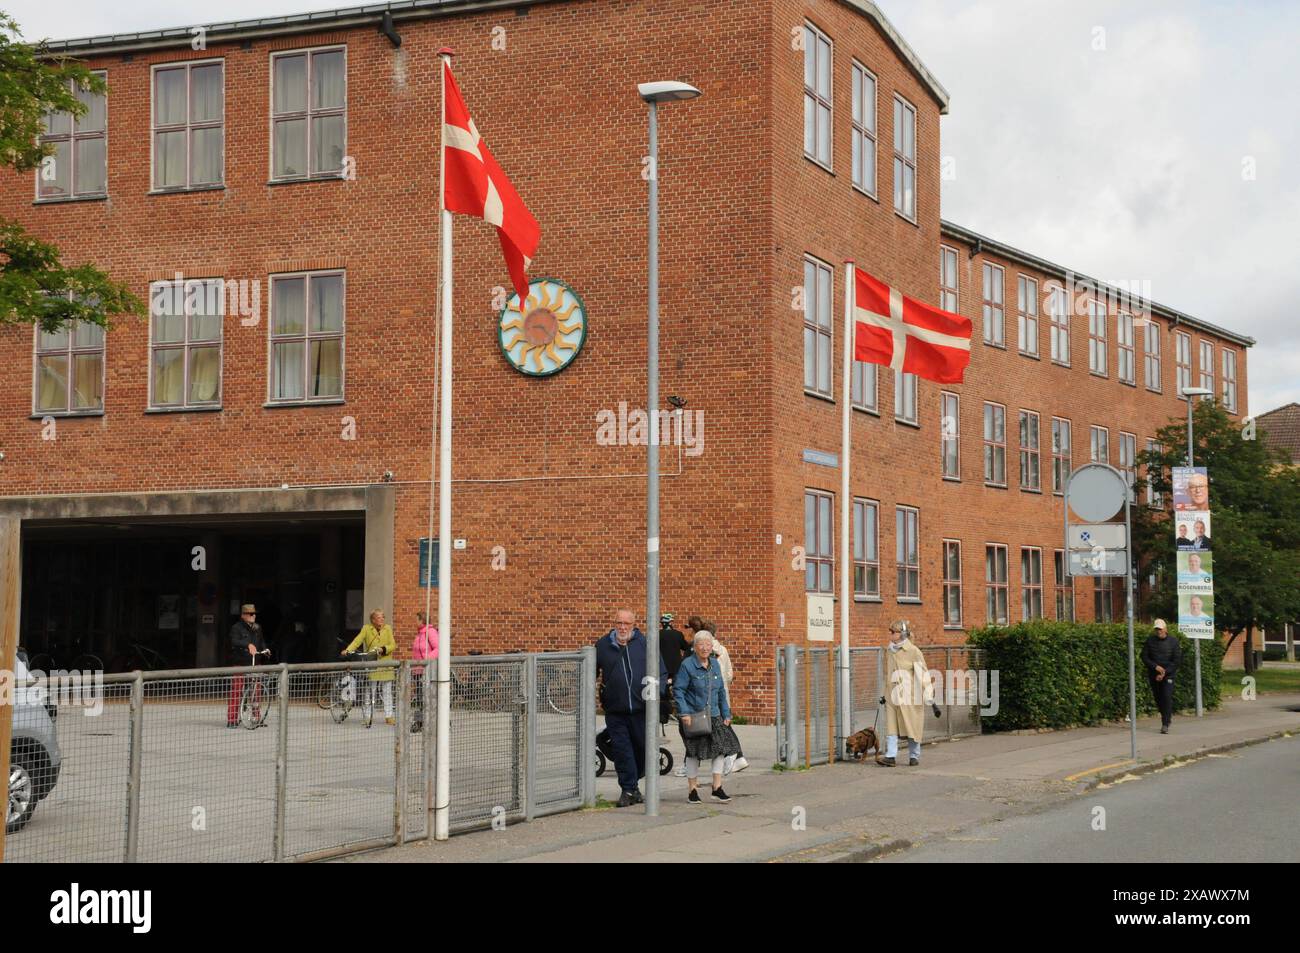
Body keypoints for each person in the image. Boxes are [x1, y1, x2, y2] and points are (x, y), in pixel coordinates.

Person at [595, 609, 668, 807]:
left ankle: (634, 784)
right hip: (615, 711)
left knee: (642, 750)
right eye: (619, 622)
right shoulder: (603, 645)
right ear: (614, 623)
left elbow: (660, 672)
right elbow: (591, 672)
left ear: (634, 625)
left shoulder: (645, 644)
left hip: (642, 710)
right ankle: (628, 789)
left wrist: (656, 694)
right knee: (622, 750)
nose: (622, 627)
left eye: (626, 623)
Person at [673, 632, 735, 803]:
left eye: (708, 644)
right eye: (701, 644)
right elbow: (678, 690)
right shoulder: (687, 665)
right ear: (695, 646)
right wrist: (684, 713)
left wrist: (726, 713)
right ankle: (692, 790)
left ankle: (717, 787)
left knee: (720, 750)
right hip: (694, 716)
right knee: (693, 753)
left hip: (714, 714)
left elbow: (721, 691)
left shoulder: (715, 663)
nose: (705, 648)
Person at [879, 620, 939, 766]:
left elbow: (923, 675)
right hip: (892, 695)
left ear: (902, 634)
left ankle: (914, 756)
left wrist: (929, 696)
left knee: (912, 726)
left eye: (893, 632)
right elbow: (887, 674)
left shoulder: (913, 651)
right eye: (890, 631)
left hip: (910, 696)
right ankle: (891, 756)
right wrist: (883, 693)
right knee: (891, 726)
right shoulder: (889, 651)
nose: (890, 634)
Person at [703, 620, 748, 775]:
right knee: (723, 725)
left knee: (721, 727)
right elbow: (729, 675)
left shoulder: (704, 652)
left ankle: (736, 755)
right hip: (724, 695)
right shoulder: (723, 650)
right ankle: (731, 757)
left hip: (711, 698)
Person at [343, 609, 398, 725]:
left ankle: (389, 716)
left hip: (385, 664)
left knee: (387, 691)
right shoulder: (366, 629)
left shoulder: (387, 628)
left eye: (383, 617)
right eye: (379, 617)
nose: (382, 619)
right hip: (372, 664)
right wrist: (348, 650)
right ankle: (367, 716)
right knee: (369, 691)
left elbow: (393, 645)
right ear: (373, 620)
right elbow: (357, 640)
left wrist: (383, 649)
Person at [226, 604, 268, 728]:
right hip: (241, 662)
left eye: (254, 613)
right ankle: (232, 719)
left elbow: (261, 641)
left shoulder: (257, 627)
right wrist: (247, 644)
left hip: (255, 662)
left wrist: (265, 649)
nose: (253, 616)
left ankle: (256, 717)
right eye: (250, 614)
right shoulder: (236, 628)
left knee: (256, 691)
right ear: (243, 615)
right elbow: (234, 641)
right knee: (236, 691)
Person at [1140, 619, 1182, 734]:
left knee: (1166, 696)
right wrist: (1155, 667)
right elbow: (1144, 657)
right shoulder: (1150, 641)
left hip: (1168, 675)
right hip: (1154, 674)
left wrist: (1164, 672)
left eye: (1160, 629)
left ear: (1165, 629)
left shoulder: (1173, 642)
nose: (1158, 631)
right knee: (1158, 698)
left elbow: (1176, 660)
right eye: (1156, 629)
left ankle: (1165, 723)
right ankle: (1166, 717)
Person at [410, 611, 438, 733]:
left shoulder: (430, 632)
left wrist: (427, 660)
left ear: (422, 620)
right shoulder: (419, 634)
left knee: (429, 697)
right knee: (420, 698)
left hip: (427, 670)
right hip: (418, 670)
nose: (415, 622)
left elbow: (438, 648)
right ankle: (419, 722)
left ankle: (437, 721)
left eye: (416, 620)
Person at [658, 613, 689, 724]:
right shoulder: (677, 634)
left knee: (662, 693)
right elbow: (686, 647)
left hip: (661, 668)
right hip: (676, 668)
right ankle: (680, 715)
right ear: (670, 623)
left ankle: (663, 716)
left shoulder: (657, 634)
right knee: (678, 691)